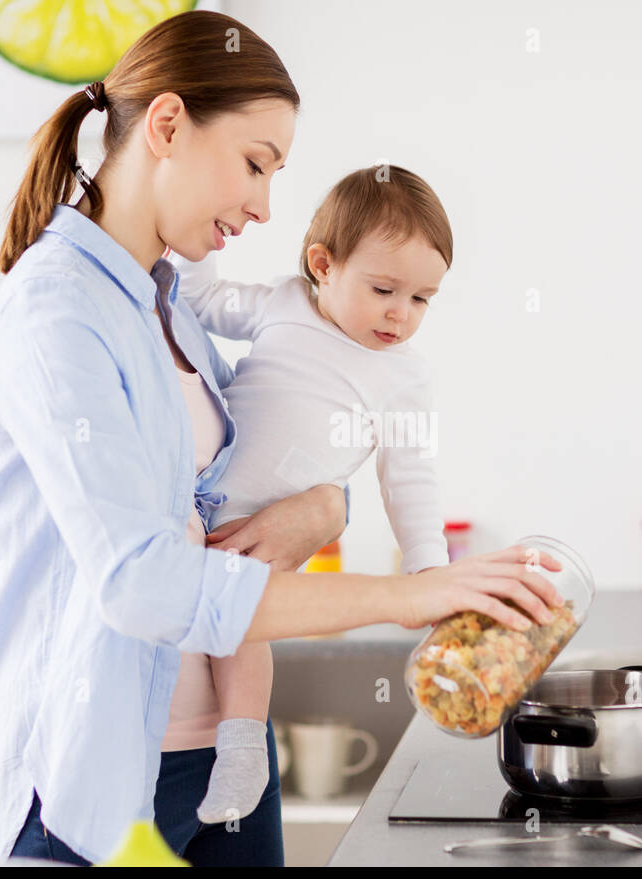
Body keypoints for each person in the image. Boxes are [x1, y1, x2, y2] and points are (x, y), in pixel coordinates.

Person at [0, 9, 563, 868]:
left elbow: (246, 468)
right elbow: (141, 582)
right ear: (166, 125)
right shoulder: (55, 314)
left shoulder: (165, 306)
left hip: (224, 761)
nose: (264, 203)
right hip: (97, 788)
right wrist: (404, 596)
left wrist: (325, 504)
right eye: (254, 164)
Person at [163, 165, 455, 825]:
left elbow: (411, 477)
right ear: (323, 265)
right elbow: (200, 300)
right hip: (191, 497)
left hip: (251, 524)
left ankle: (243, 747)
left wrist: (427, 570)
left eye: (421, 300)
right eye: (384, 289)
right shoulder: (283, 303)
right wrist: (198, 229)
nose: (400, 315)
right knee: (219, 617)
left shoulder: (404, 378)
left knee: (242, 628)